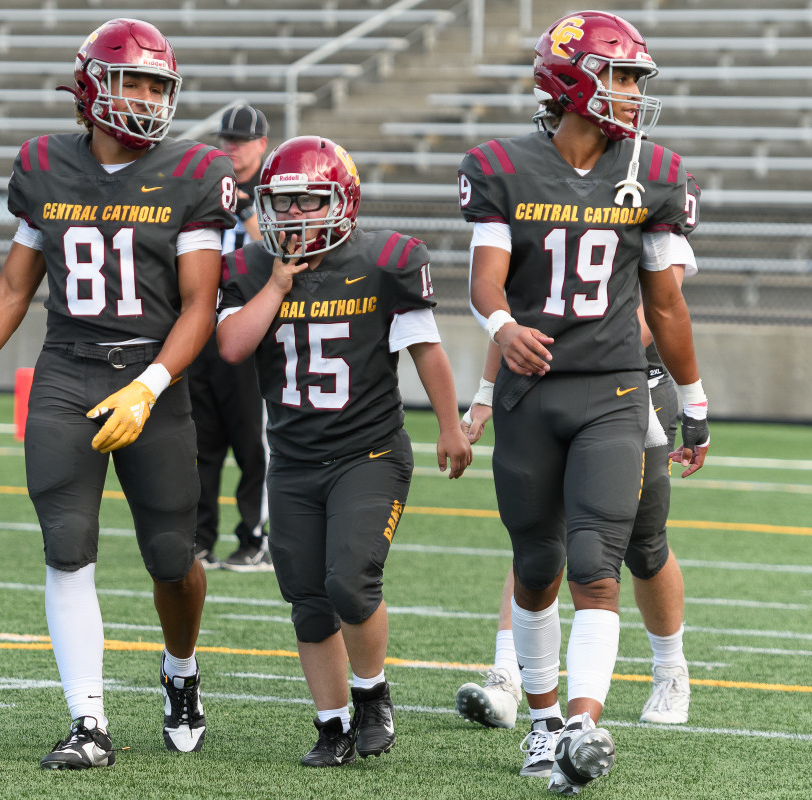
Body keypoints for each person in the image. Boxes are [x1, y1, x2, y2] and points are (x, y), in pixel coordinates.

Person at [0, 18, 236, 769]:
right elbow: (13, 289)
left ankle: (180, 673)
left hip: (155, 376)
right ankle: (88, 721)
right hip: (67, 369)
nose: (149, 98)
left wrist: (149, 387)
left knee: (171, 558)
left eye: (160, 84)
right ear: (91, 88)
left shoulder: (192, 172)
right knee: (66, 548)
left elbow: (199, 306)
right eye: (134, 82)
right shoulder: (44, 164)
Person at [459, 10, 710, 795]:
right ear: (574, 81)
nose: (634, 94)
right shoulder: (503, 167)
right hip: (532, 395)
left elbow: (666, 306)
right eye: (623, 76)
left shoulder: (653, 171)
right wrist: (503, 330)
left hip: (614, 389)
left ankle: (580, 724)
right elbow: (485, 282)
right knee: (537, 566)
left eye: (637, 79)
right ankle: (539, 725)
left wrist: (696, 401)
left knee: (596, 566)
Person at [217, 135, 472, 767]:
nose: (295, 216)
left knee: (351, 584)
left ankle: (372, 693)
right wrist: (276, 285)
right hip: (295, 459)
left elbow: (425, 348)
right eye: (282, 204)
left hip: (369, 454)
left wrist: (449, 424)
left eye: (309, 202)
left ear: (343, 201)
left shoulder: (387, 259)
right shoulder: (251, 268)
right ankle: (331, 726)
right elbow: (230, 346)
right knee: (307, 601)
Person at [456, 172, 701, 733]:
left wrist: (575, 355)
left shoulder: (652, 185)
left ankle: (670, 670)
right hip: (547, 382)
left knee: (639, 541)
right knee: (537, 535)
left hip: (629, 383)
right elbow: (514, 314)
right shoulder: (540, 187)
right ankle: (507, 677)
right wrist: (488, 394)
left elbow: (656, 311)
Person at [190, 103, 272, 571]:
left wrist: (244, 210)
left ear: (262, 143)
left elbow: (273, 246)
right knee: (201, 438)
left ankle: (254, 536)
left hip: (248, 325)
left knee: (251, 441)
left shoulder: (273, 189)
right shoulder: (207, 187)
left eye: (242, 140)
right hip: (202, 323)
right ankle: (200, 536)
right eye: (228, 140)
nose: (233, 148)